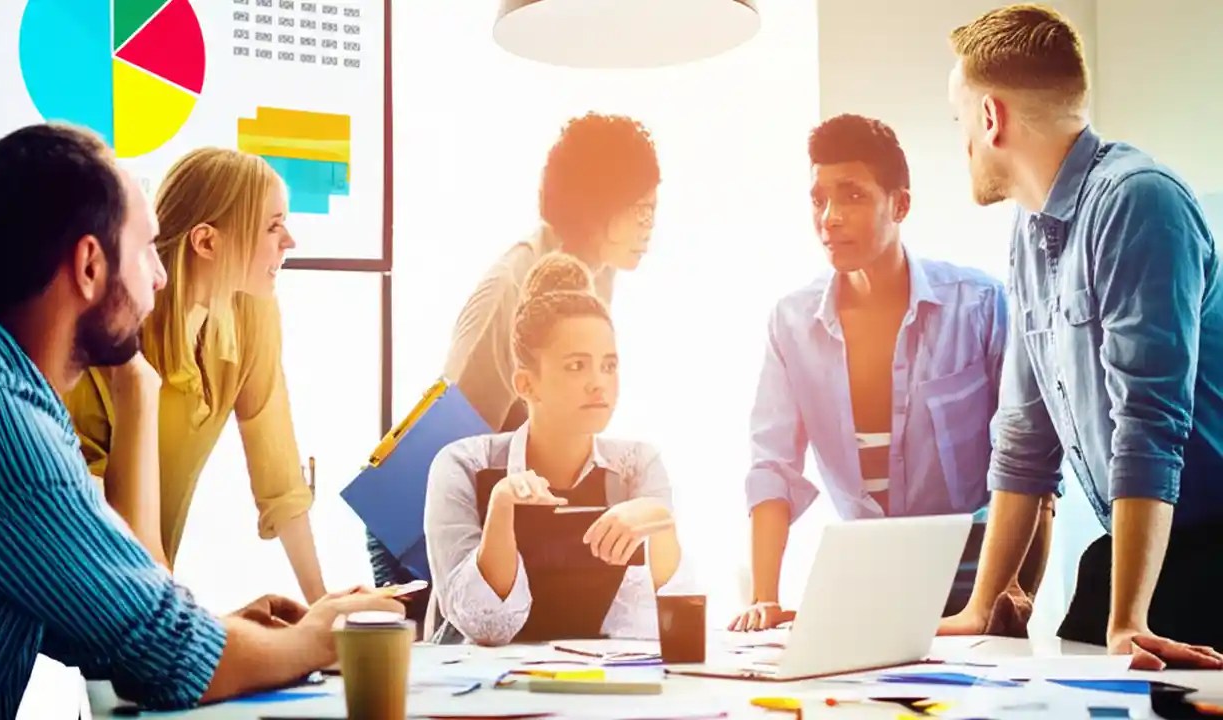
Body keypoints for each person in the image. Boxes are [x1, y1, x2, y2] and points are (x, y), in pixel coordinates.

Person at [0, 123, 402, 716]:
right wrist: (323, 635)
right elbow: (159, 657)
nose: (159, 276)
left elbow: (89, 619)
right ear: (89, 266)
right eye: (144, 251)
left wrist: (222, 630)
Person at [939, 3, 1223, 671]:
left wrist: (1130, 623)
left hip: (1211, 552)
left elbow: (1148, 422)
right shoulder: (1030, 233)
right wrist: (983, 603)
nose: (964, 144)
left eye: (960, 122)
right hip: (1146, 552)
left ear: (990, 117)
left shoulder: (1137, 200)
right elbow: (1024, 438)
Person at [729, 114, 1055, 633]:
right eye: (819, 199)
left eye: (852, 196)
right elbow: (773, 468)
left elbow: (1032, 464)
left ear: (899, 204)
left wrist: (1017, 594)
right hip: (864, 570)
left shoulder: (980, 305)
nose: (829, 217)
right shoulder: (790, 323)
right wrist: (764, 598)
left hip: (978, 569)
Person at [368, 112, 662, 623]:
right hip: (412, 516)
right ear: (596, 209)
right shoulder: (511, 286)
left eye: (652, 210)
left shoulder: (597, 275)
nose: (649, 226)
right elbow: (453, 450)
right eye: (639, 210)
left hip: (491, 508)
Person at [64, 147, 328, 603]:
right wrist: (188, 626)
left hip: (157, 594)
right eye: (272, 225)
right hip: (95, 585)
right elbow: (98, 524)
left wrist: (325, 608)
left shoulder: (252, 311)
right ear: (206, 242)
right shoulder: (113, 338)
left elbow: (280, 476)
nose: (290, 241)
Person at [424, 253, 681, 646]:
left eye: (609, 366)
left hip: (594, 687)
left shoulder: (638, 465)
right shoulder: (462, 465)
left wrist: (658, 519)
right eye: (577, 366)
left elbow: (659, 623)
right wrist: (501, 508)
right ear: (526, 385)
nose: (599, 383)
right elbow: (485, 629)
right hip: (479, 692)